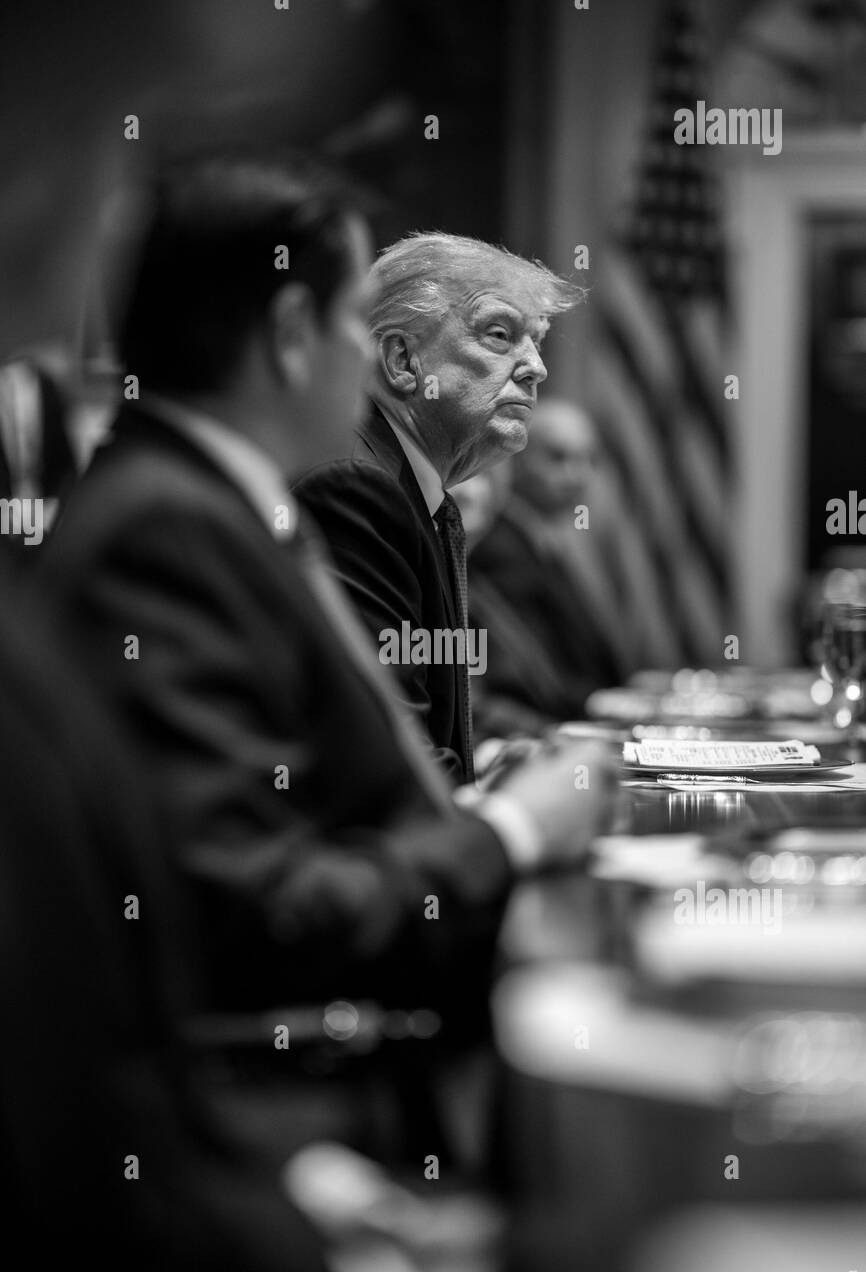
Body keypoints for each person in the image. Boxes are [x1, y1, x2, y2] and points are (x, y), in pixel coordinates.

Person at [38, 157, 616, 1040]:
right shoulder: (166, 531)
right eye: (357, 318)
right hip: (270, 1084)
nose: (366, 364)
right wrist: (514, 833)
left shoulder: (213, 502)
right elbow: (257, 912)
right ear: (294, 330)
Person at [292, 233, 583, 782]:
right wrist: (520, 825)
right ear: (403, 360)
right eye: (500, 335)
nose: (536, 367)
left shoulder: (412, 487)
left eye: (537, 341)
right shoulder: (354, 487)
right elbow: (390, 755)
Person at [469, 398, 632, 727]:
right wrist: (610, 705)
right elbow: (533, 680)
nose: (578, 475)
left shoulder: (544, 541)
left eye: (589, 459)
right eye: (558, 457)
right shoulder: (500, 549)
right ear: (518, 457)